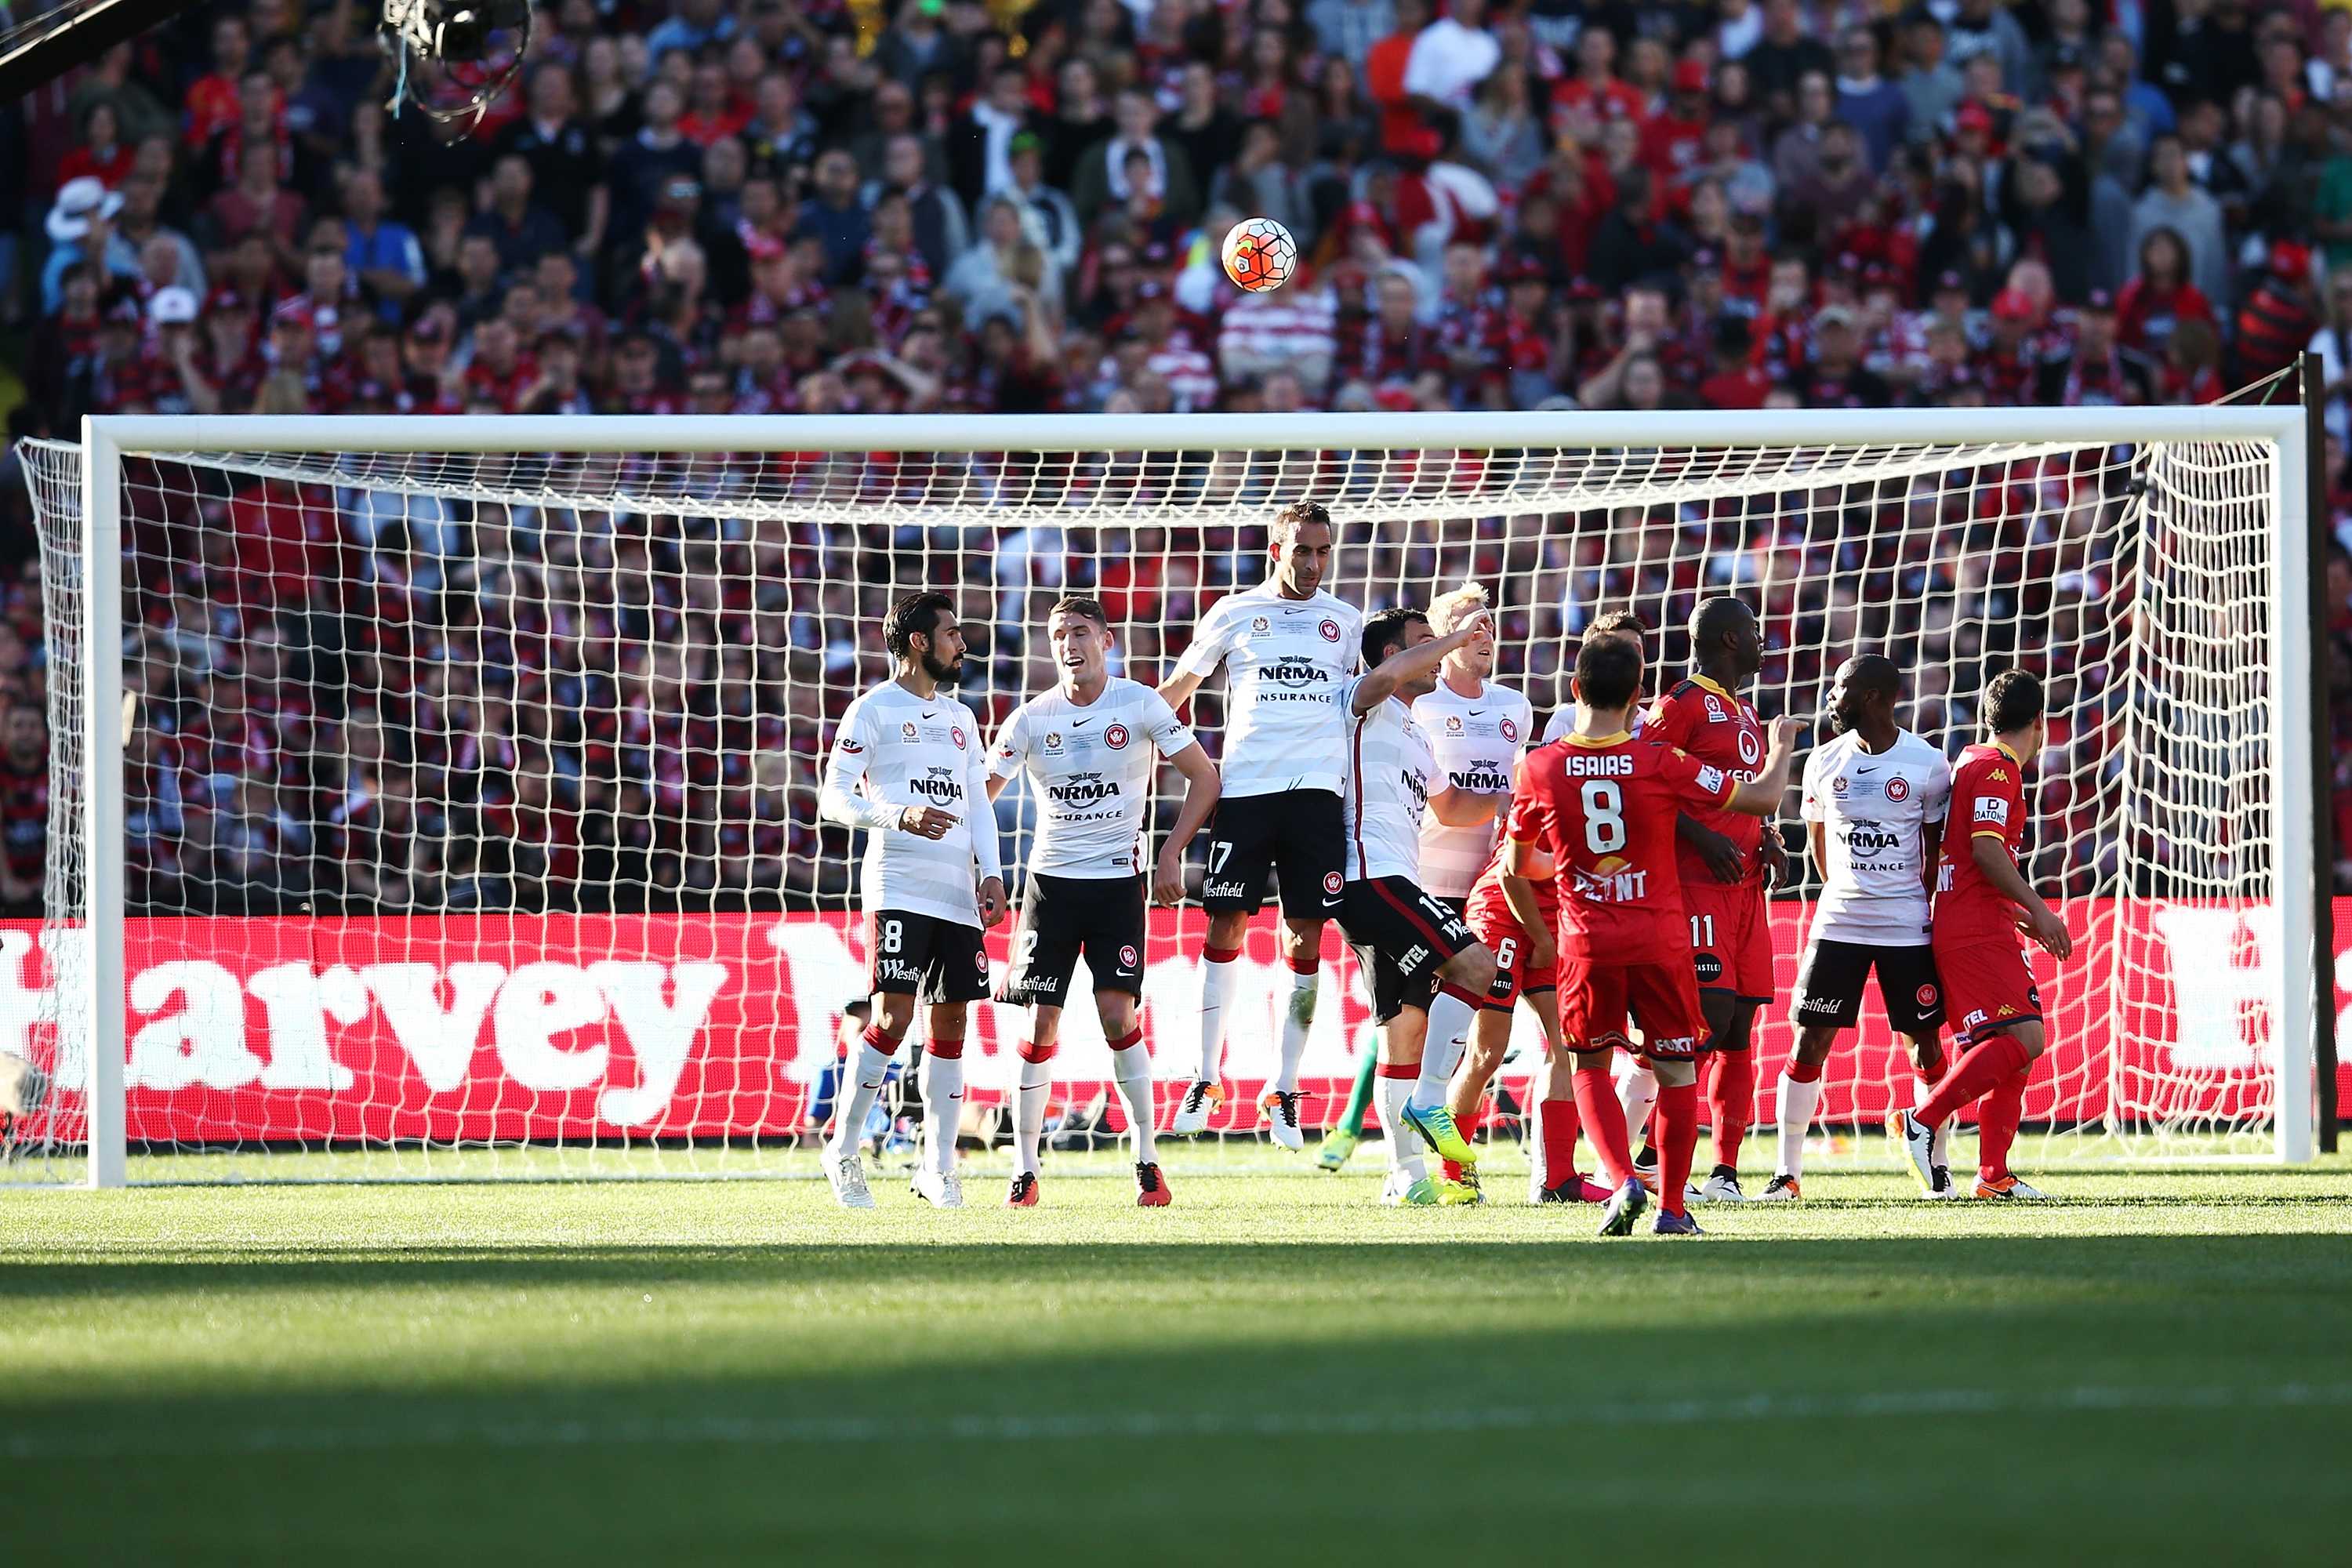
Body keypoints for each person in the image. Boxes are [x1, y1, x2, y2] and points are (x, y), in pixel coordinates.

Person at [1504, 636, 1800, 1236]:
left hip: (1588, 942)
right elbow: (1766, 795)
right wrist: (1783, 745)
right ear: (1639, 695)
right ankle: (1671, 1208)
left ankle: (1622, 1182)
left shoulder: (1541, 768)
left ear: (1575, 689)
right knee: (1677, 1072)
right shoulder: (1658, 762)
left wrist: (1544, 934)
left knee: (1588, 1063)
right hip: (1663, 939)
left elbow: (1517, 869)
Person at [985, 596, 1220, 1209]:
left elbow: (1206, 776)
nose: (1070, 644)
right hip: (1050, 886)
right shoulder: (1031, 718)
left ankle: (1147, 1161)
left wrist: (1170, 853)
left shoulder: (1139, 703)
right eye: (1059, 633)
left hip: (1117, 884)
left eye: (1081, 632)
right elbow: (980, 797)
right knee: (1040, 1025)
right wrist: (982, 868)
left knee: (1119, 1017)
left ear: (1107, 640)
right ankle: (1025, 1167)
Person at [1156, 502, 1362, 1150]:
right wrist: (1128, 734)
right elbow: (1179, 688)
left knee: (1304, 938)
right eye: (1301, 549)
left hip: (1318, 800)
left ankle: (1285, 1090)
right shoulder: (1234, 611)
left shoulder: (1345, 622)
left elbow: (1373, 694)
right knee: (1225, 926)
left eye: (1323, 550)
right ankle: (1205, 1078)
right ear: (1276, 548)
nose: (1313, 562)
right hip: (1245, 792)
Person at [816, 591, 1008, 1210]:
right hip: (897, 885)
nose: (963, 644)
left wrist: (992, 872)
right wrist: (898, 814)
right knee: (893, 1018)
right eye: (952, 634)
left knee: (952, 1022)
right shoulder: (870, 711)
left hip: (956, 893)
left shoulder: (961, 719)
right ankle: (843, 1153)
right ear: (920, 642)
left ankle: (936, 1168)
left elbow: (979, 803)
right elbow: (834, 798)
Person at [1763, 655, 1955, 1202]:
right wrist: (1854, 890)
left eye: (1842, 688)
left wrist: (1902, 897)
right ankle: (1787, 1174)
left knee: (1924, 1047)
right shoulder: (1823, 761)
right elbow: (1820, 852)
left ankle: (1938, 1166)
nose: (1831, 697)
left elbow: (1933, 852)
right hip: (1840, 922)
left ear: (1873, 697)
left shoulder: (1928, 764)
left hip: (1905, 927)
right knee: (1808, 1043)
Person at [1334, 604, 1504, 1204]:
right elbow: (1378, 681)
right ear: (1393, 656)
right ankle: (1433, 1099)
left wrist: (1521, 789)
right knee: (1478, 966)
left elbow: (1452, 807)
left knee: (1404, 1030)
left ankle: (1404, 1178)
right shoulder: (1366, 702)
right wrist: (1457, 637)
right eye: (1424, 645)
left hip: (1389, 879)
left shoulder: (1413, 729)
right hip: (1370, 877)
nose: (1438, 654)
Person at [1893, 670, 2074, 1200]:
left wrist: (2016, 914)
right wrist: (2039, 911)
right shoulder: (1998, 771)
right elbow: (1986, 849)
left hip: (1973, 918)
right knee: (2027, 1037)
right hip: (1973, 928)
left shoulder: (1970, 760)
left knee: (2012, 1041)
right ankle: (1922, 1121)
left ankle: (1993, 1174)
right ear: (2039, 723)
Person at [1633, 596, 1786, 1203]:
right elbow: (1639, 778)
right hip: (1695, 887)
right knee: (1708, 1019)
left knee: (1741, 1026)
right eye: (1753, 631)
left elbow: (1737, 796)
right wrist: (1698, 836)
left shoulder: (1745, 712)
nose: (1762, 640)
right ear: (1727, 639)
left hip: (1746, 891)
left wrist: (1767, 838)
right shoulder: (1681, 705)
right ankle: (1651, 1156)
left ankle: (1724, 1172)